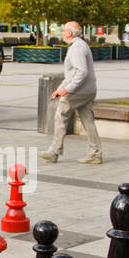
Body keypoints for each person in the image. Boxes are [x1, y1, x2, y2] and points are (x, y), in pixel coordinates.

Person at [37, 21, 102, 165]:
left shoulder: (76, 47)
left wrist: (66, 90)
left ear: (70, 33)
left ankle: (54, 151)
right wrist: (61, 88)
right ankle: (95, 153)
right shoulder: (80, 45)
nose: (62, 32)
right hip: (88, 90)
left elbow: (81, 71)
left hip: (78, 91)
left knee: (61, 115)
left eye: (64, 30)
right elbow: (72, 73)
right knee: (88, 120)